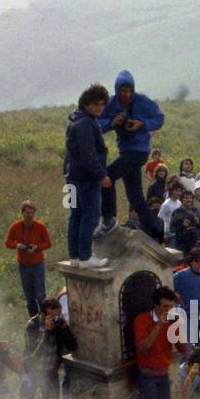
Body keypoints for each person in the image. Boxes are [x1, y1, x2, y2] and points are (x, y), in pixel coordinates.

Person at [95, 70, 163, 237]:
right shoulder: (110, 104)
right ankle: (155, 233)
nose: (127, 94)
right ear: (117, 90)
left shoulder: (142, 101)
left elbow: (159, 118)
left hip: (139, 151)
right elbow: (95, 123)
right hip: (125, 150)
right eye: (123, 91)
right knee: (135, 196)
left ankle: (109, 219)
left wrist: (142, 123)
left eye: (129, 90)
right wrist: (112, 123)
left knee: (107, 177)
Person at [63, 83, 110, 269]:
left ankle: (75, 256)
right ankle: (85, 257)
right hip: (86, 179)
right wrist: (101, 175)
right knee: (89, 215)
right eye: (96, 104)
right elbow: (88, 154)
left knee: (75, 215)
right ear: (87, 104)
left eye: (102, 104)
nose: (99, 108)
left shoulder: (75, 120)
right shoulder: (85, 124)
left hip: (71, 177)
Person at [134, 287, 186, 399]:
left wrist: (179, 328)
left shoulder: (172, 322)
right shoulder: (142, 320)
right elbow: (144, 347)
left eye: (171, 306)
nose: (168, 310)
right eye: (165, 306)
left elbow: (183, 349)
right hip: (147, 375)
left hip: (163, 374)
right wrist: (159, 326)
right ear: (156, 306)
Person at [23, 297, 78, 399]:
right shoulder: (32, 325)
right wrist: (45, 332)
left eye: (58, 315)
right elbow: (33, 353)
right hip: (34, 369)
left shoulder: (58, 325)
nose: (56, 319)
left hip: (51, 370)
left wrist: (65, 328)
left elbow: (73, 346)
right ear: (44, 313)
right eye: (53, 316)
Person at [4, 199, 51, 318]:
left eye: (31, 213)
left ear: (34, 213)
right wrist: (17, 245)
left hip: (37, 264)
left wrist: (36, 247)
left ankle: (46, 319)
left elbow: (48, 243)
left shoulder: (40, 226)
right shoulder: (16, 226)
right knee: (29, 297)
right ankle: (34, 321)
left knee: (40, 295)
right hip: (23, 265)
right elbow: (7, 242)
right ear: (22, 213)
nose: (29, 215)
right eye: (27, 212)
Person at [173, 249, 200, 342]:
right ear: (191, 262)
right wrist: (178, 300)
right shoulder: (180, 275)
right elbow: (169, 289)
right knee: (188, 347)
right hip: (187, 316)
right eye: (197, 261)